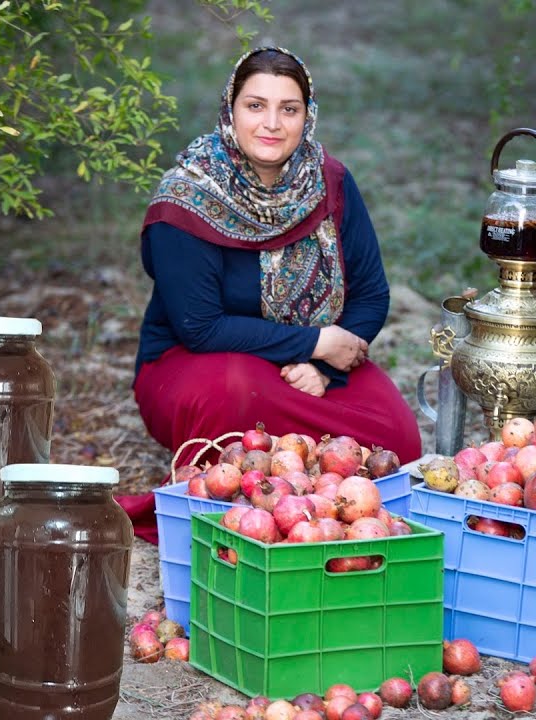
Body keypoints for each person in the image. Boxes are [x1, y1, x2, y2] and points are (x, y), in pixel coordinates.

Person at [117, 47, 422, 543]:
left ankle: (309, 501)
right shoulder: (187, 196)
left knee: (396, 440)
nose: (272, 123)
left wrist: (322, 367)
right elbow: (200, 327)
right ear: (229, 109)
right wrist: (316, 344)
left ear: (308, 114)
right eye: (255, 106)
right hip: (198, 363)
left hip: (302, 367)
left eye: (290, 108)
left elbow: (370, 296)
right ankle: (246, 508)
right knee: (235, 387)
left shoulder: (330, 183)